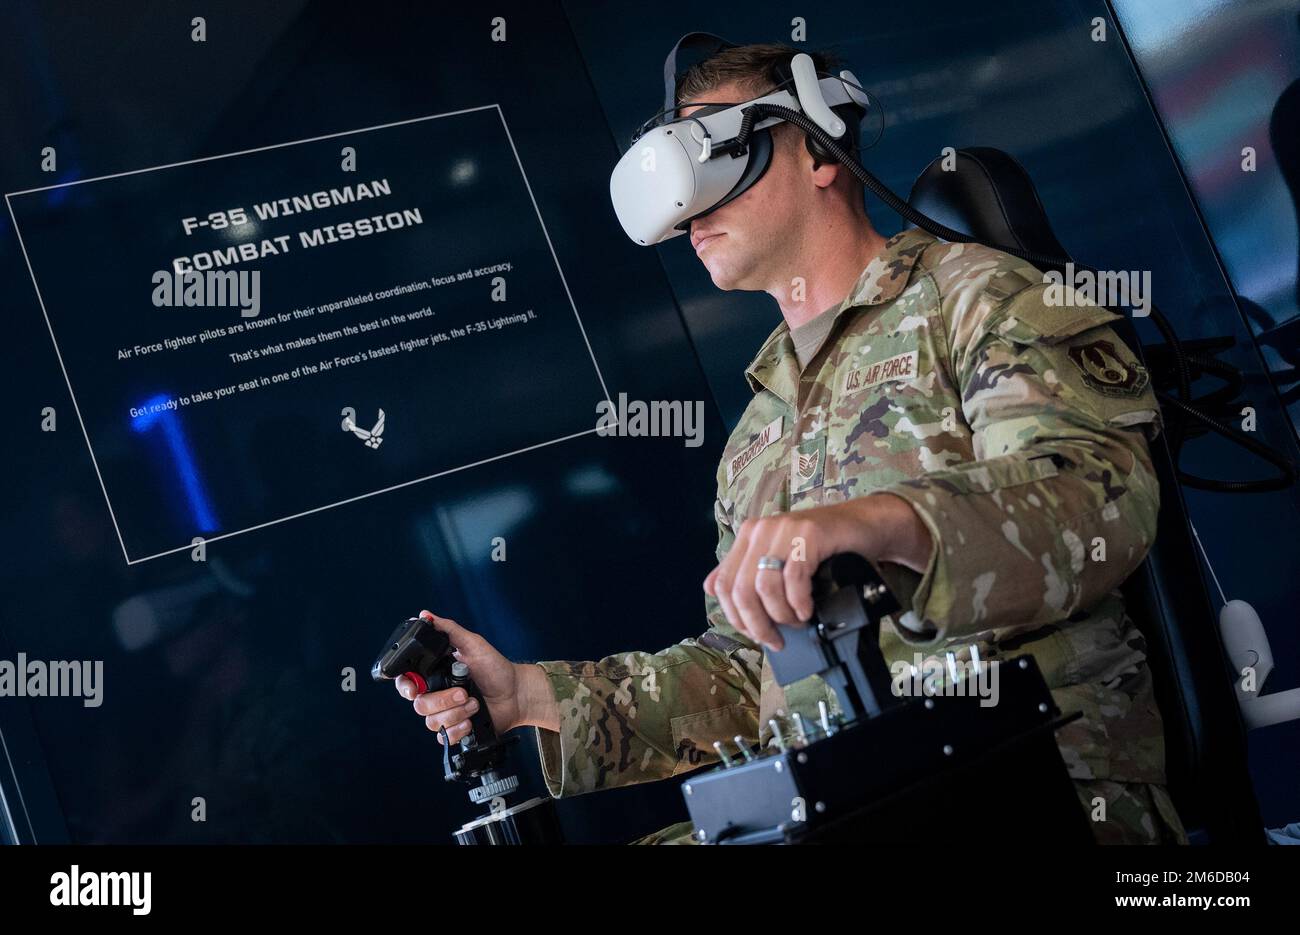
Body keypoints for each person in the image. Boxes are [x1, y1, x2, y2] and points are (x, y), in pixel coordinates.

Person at [396, 42, 1187, 845]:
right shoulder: (755, 435)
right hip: (851, 796)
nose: (688, 212)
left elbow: (1099, 504)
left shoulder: (980, 300)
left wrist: (878, 523)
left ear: (817, 149)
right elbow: (748, 670)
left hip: (1045, 783)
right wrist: (529, 694)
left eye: (714, 160)